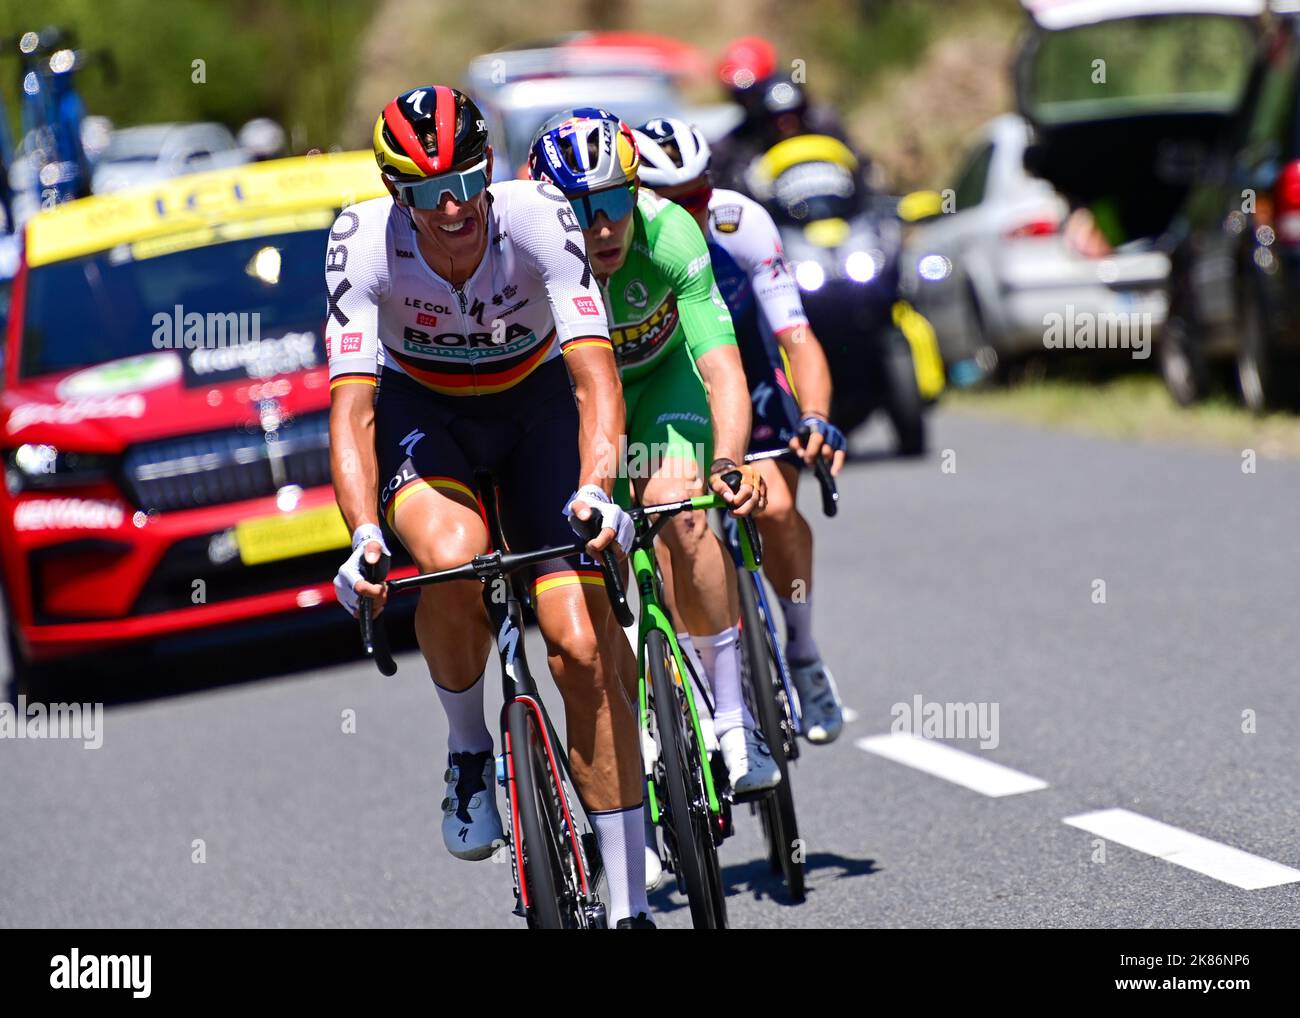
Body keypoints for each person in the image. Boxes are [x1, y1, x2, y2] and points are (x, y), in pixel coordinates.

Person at [327, 85, 652, 928]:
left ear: (489, 171)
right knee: (452, 553)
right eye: (430, 194)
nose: (456, 207)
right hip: (425, 415)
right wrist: (362, 537)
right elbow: (354, 413)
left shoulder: (541, 217)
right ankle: (470, 746)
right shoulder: (363, 243)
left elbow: (595, 381)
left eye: (468, 181)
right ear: (399, 197)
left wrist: (597, 489)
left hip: (536, 408)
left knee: (580, 649)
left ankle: (631, 905)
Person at [527, 108, 779, 803]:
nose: (604, 226)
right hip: (580, 409)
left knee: (681, 512)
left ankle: (732, 722)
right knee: (588, 562)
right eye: (582, 210)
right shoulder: (529, 262)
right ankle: (634, 717)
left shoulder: (670, 232)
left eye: (616, 201)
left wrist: (729, 459)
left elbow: (721, 367)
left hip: (665, 387)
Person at [636, 117, 847, 745]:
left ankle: (804, 652)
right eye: (673, 202)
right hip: (666, 405)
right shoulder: (617, 241)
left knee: (778, 506)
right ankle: (685, 687)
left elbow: (796, 338)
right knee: (670, 530)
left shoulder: (739, 223)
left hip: (744, 386)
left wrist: (815, 416)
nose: (690, 212)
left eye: (698, 194)